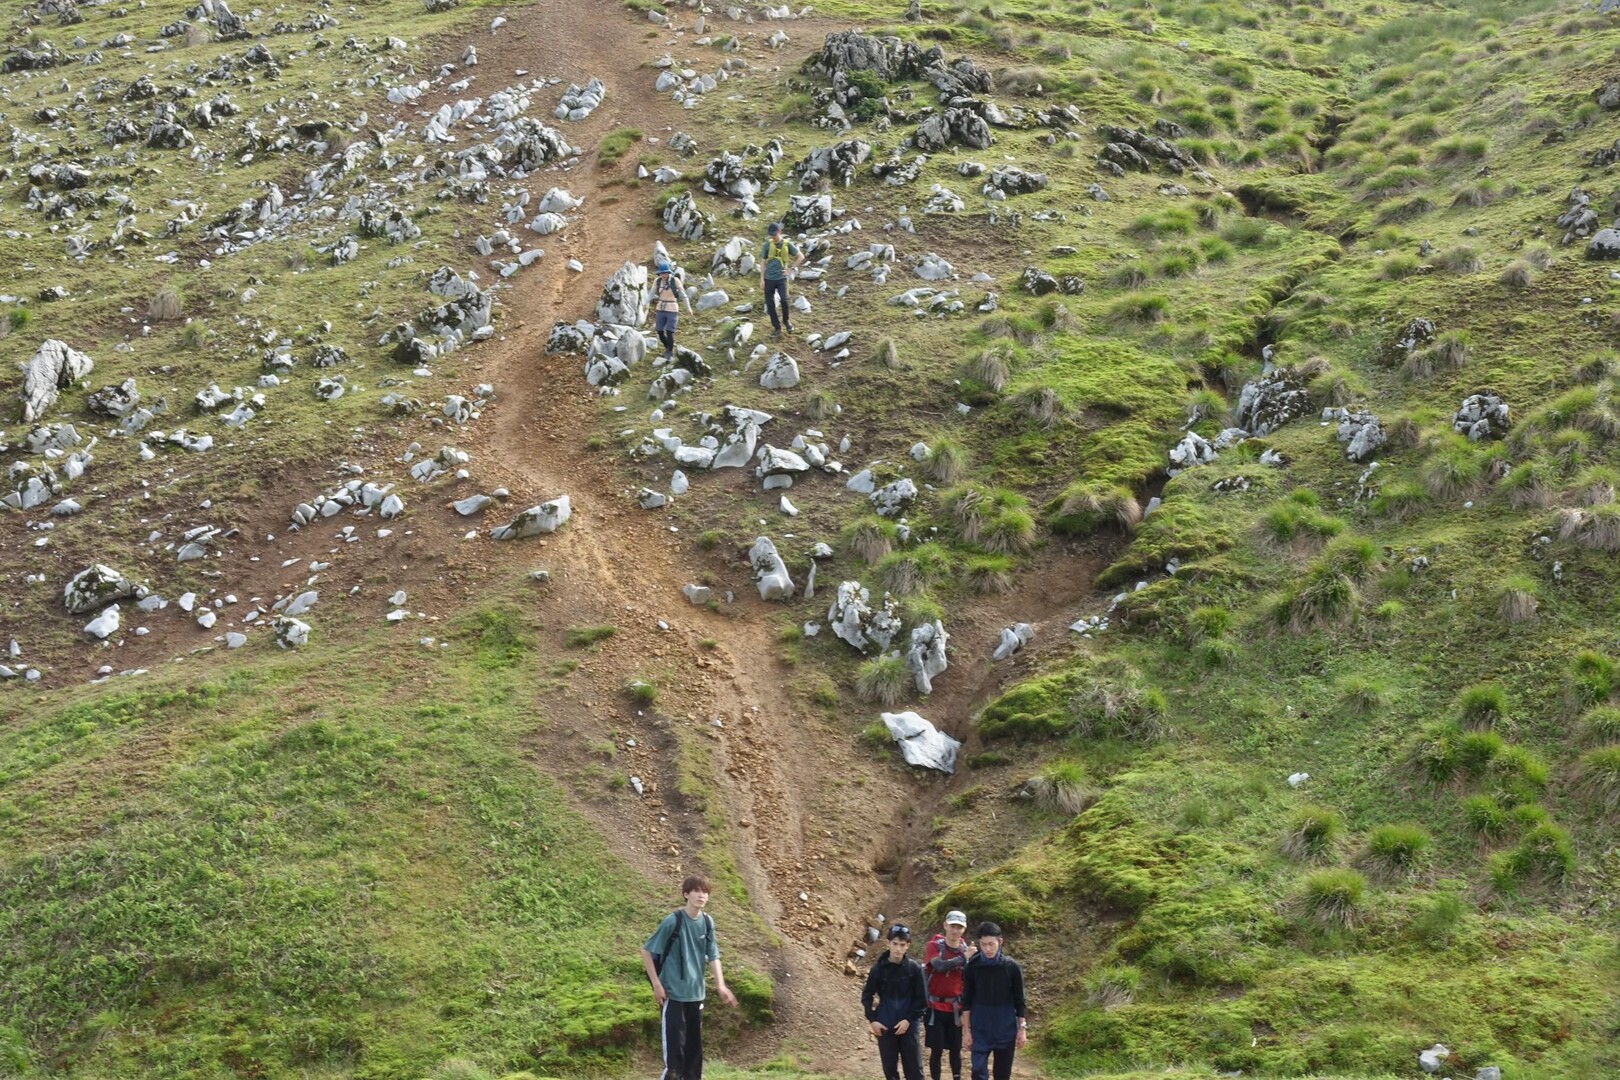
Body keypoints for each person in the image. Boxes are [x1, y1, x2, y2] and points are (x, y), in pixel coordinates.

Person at [641, 874, 738, 1080]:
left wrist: (721, 985)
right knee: (674, 1063)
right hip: (673, 996)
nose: (701, 895)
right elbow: (647, 951)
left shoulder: (707, 922)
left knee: (693, 1060)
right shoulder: (673, 921)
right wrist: (656, 984)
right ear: (686, 894)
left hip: (696, 996)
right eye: (696, 891)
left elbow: (713, 956)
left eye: (705, 892)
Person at [960, 922, 1026, 1080]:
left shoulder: (1011, 967)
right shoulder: (972, 967)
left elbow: (1020, 1000)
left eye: (991, 944)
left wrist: (1022, 1028)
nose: (987, 949)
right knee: (977, 1071)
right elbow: (966, 1001)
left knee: (1002, 1074)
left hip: (1005, 1028)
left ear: (1000, 942)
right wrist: (966, 1031)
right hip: (980, 1028)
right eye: (983, 945)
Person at [862, 923, 928, 1080]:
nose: (898, 948)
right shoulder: (878, 969)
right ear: (888, 943)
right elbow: (867, 996)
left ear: (908, 946)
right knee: (890, 1072)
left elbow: (922, 999)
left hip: (909, 1027)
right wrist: (873, 1020)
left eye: (902, 945)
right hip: (885, 1027)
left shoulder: (914, 969)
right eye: (895, 944)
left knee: (915, 1072)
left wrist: (909, 1020)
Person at [923, 910, 975, 1080]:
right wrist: (963, 958)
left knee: (955, 1049)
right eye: (952, 926)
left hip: (955, 1008)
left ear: (964, 929)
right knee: (936, 1049)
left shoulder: (967, 951)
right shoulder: (934, 946)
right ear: (945, 925)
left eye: (959, 927)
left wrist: (966, 1012)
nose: (955, 931)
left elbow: (969, 984)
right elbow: (939, 966)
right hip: (934, 1007)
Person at [758, 221, 803, 340]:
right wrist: (761, 279)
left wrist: (791, 269)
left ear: (780, 232)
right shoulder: (767, 245)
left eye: (774, 234)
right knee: (770, 304)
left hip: (781, 278)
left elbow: (800, 256)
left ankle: (786, 322)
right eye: (771, 235)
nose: (773, 237)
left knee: (784, 300)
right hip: (768, 278)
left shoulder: (787, 244)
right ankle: (777, 327)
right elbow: (762, 262)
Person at [652, 260, 692, 362]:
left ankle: (669, 352)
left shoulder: (675, 281)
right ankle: (667, 347)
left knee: (670, 331)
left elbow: (683, 295)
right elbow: (651, 293)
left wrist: (688, 308)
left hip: (672, 309)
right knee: (659, 331)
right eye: (661, 273)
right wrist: (645, 303)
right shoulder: (657, 281)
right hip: (660, 308)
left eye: (665, 273)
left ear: (668, 272)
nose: (663, 275)